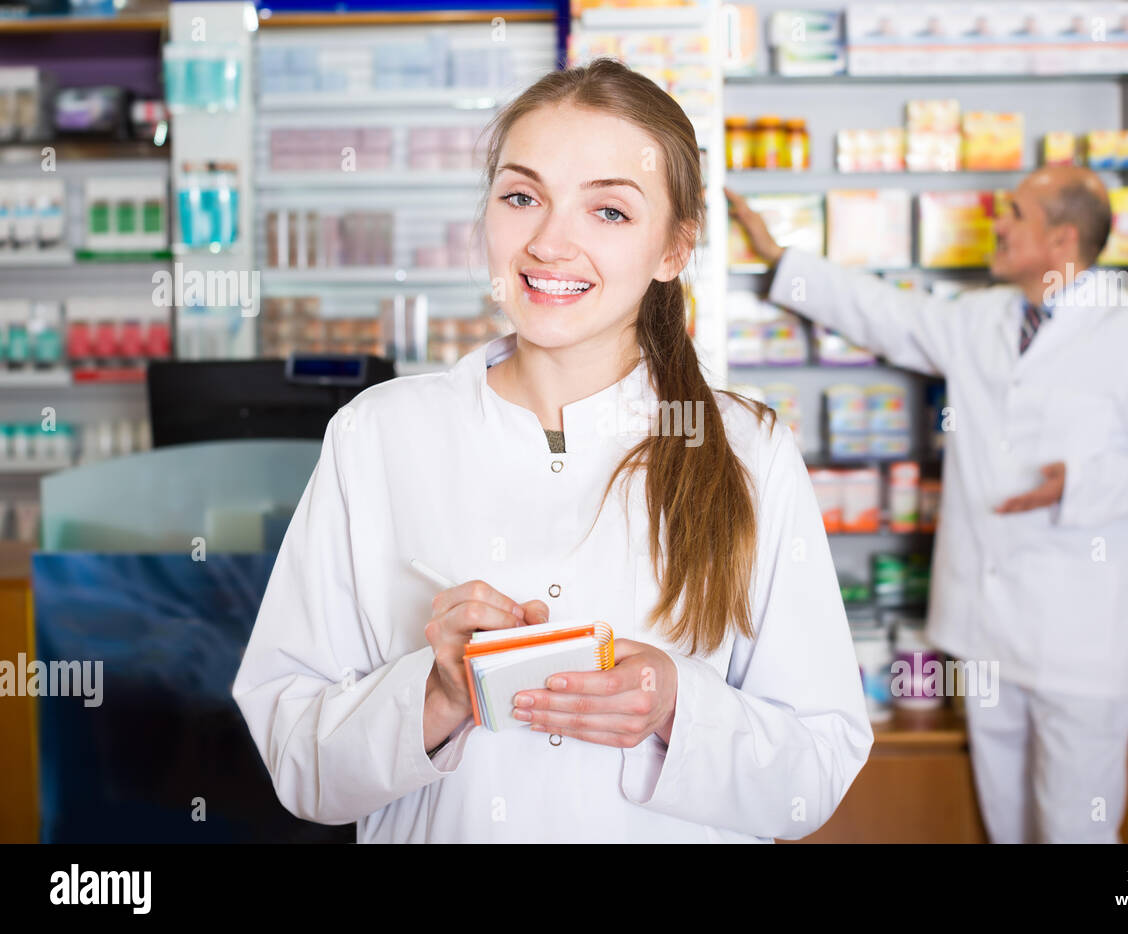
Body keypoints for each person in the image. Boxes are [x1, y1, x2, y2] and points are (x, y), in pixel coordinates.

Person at [232, 58, 873, 844]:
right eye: (522, 197)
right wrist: (436, 694)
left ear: (674, 250)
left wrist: (675, 701)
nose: (549, 242)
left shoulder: (748, 452)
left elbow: (815, 777)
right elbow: (299, 765)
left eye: (608, 211)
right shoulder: (379, 436)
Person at [728, 167, 1128, 843]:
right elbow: (887, 314)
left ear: (1061, 237)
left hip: (1083, 639)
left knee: (1074, 828)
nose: (997, 224)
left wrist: (1081, 482)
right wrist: (777, 256)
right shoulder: (984, 318)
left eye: (1015, 213)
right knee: (1008, 822)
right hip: (987, 629)